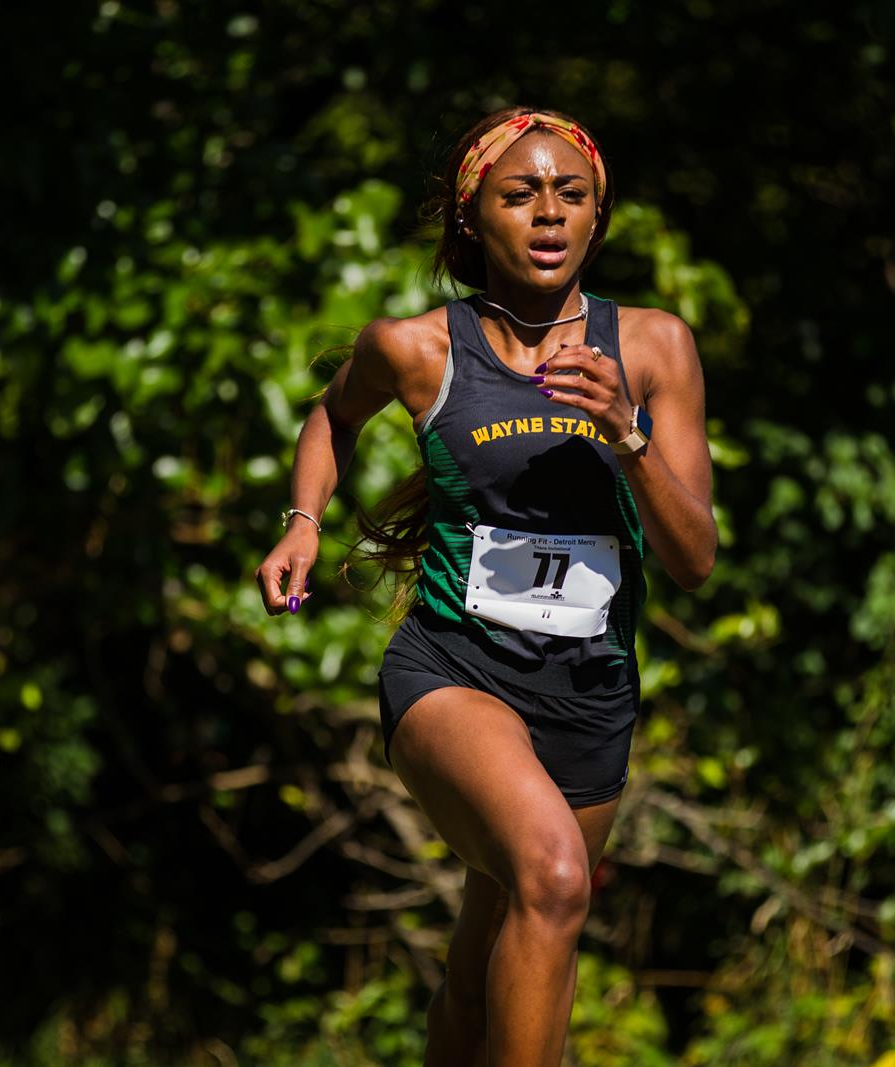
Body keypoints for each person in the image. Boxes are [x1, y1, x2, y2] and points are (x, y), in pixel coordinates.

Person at [255, 107, 715, 1067]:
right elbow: (331, 419)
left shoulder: (657, 348)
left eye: (571, 194)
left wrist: (627, 436)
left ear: (598, 217)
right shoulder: (420, 348)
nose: (548, 213)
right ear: (475, 221)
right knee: (553, 878)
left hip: (590, 691)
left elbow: (695, 559)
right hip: (454, 670)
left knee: (493, 945)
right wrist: (304, 521)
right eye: (521, 193)